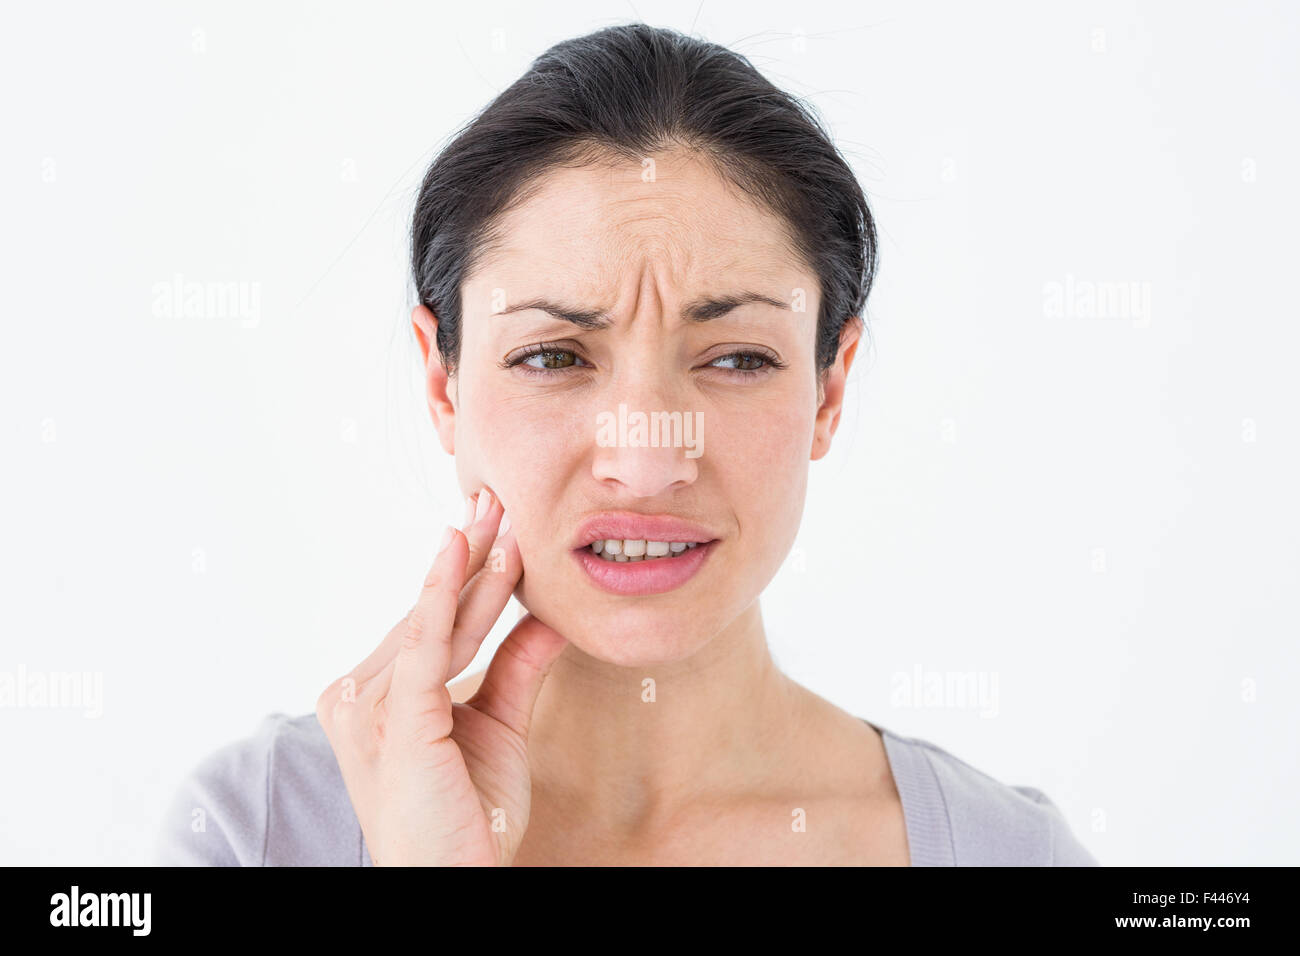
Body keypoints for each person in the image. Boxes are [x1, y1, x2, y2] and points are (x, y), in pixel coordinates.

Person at [156, 23, 1098, 866]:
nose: (647, 460)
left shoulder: (1006, 855)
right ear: (443, 383)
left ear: (829, 387)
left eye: (734, 359)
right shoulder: (259, 832)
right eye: (554, 355)